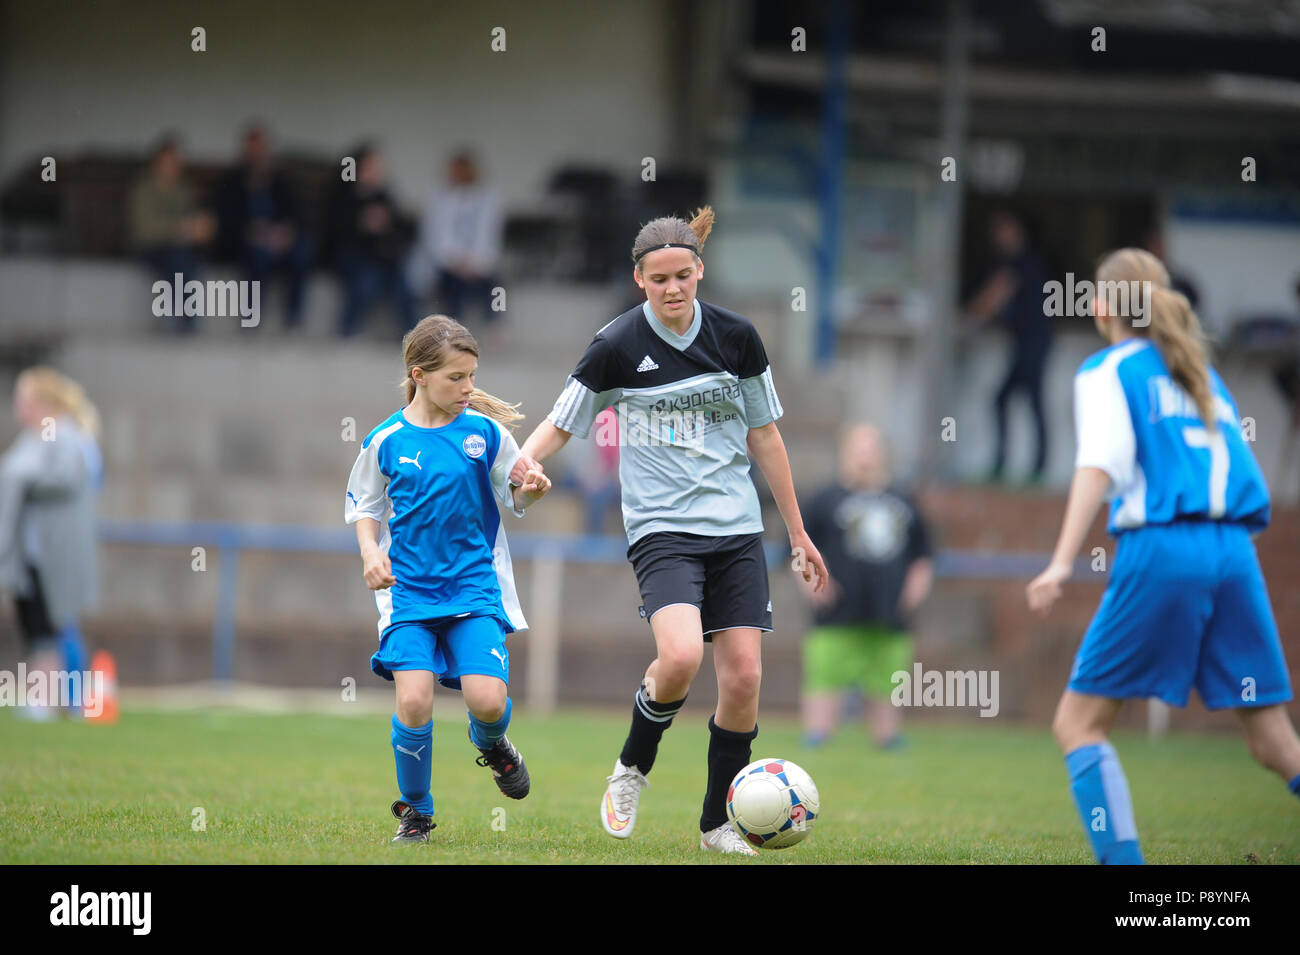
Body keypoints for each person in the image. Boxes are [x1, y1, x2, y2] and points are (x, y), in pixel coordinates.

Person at [516, 207, 830, 855]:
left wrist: (798, 533)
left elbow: (766, 436)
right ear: (639, 279)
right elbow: (562, 420)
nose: (672, 289)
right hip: (662, 529)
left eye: (683, 275)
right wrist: (525, 462)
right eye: (658, 279)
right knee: (682, 656)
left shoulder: (738, 337)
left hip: (737, 529)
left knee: (743, 676)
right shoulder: (616, 346)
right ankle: (632, 767)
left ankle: (717, 823)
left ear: (700, 270)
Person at [1026, 248, 1300, 865]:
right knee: (1272, 737)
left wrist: (1062, 561)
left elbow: (1099, 465)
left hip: (1164, 549)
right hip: (1233, 550)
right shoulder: (1196, 368)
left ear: (1098, 307)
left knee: (1079, 724)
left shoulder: (1109, 369)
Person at [344, 314, 552, 843]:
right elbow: (364, 504)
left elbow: (515, 493)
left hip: (474, 589)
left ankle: (493, 743)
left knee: (487, 701)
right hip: (408, 593)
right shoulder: (385, 439)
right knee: (413, 700)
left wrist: (532, 489)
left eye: (472, 376)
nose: (468, 389)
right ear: (419, 374)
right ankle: (416, 812)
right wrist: (371, 551)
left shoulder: (484, 433)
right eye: (456, 378)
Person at [798, 423, 933, 749]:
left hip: (889, 611)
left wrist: (915, 590)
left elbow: (923, 555)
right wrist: (810, 585)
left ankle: (887, 739)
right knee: (825, 674)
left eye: (870, 449)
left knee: (887, 679)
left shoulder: (904, 499)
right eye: (858, 449)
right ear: (845, 454)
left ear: (882, 454)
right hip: (837, 611)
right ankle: (818, 737)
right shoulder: (823, 499)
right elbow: (799, 550)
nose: (864, 457)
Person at [0, 368, 102, 719]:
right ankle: (56, 700)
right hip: (29, 555)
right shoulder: (33, 440)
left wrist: (24, 479)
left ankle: (69, 702)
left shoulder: (67, 437)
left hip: (53, 556)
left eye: (23, 401)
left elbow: (66, 480)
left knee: (56, 627)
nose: (18, 409)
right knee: (39, 630)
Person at [965, 209, 1053, 482]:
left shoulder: (1021, 262)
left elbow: (994, 296)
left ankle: (1034, 468)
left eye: (1004, 232)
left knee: (1029, 402)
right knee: (1009, 400)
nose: (999, 238)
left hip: (1035, 342)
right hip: (1025, 343)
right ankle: (1013, 465)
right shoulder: (1015, 262)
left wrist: (965, 320)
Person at [213, 124, 314, 330]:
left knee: (302, 253)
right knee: (257, 256)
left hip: (278, 241)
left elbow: (296, 215)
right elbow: (225, 220)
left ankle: (293, 319)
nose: (257, 155)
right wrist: (250, 232)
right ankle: (251, 319)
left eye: (261, 149)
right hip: (244, 243)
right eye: (252, 150)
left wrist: (285, 233)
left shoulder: (280, 181)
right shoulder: (231, 182)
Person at [409, 150, 505, 346]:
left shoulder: (486, 198)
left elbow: (487, 234)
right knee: (454, 285)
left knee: (496, 286)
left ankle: (494, 326)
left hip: (477, 262)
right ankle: (453, 332)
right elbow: (435, 236)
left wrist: (475, 261)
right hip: (447, 263)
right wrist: (456, 261)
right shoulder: (439, 198)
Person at [128, 137, 215, 334]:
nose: (172, 167)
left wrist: (200, 227)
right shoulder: (143, 188)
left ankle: (182, 317)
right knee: (177, 260)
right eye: (168, 162)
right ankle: (182, 317)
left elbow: (190, 219)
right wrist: (178, 228)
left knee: (185, 259)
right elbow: (144, 228)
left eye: (176, 162)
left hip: (178, 249)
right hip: (148, 247)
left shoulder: (182, 188)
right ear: (157, 163)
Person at [329, 144, 417, 337]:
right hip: (352, 257)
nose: (375, 172)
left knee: (404, 283)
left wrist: (385, 223)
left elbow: (402, 228)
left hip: (383, 258)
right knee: (366, 280)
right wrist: (363, 224)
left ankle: (413, 336)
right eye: (370, 166)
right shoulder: (344, 194)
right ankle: (346, 330)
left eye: (377, 167)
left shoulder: (385, 196)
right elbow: (335, 233)